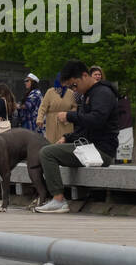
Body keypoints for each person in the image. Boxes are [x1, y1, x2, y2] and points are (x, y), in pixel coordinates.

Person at [34, 60, 119, 214]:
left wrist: (70, 116)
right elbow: (85, 128)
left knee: (47, 153)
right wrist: (68, 137)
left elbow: (97, 120)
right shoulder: (89, 94)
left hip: (101, 151)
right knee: (49, 149)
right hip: (90, 148)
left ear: (85, 75)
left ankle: (58, 200)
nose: (74, 90)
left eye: (74, 85)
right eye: (70, 87)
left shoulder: (102, 93)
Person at [37, 77, 77, 144]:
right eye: (61, 81)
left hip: (66, 122)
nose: (63, 83)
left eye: (65, 81)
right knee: (51, 143)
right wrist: (39, 118)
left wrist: (68, 115)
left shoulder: (71, 93)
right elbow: (43, 107)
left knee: (65, 142)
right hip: (52, 122)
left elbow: (75, 107)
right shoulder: (50, 92)